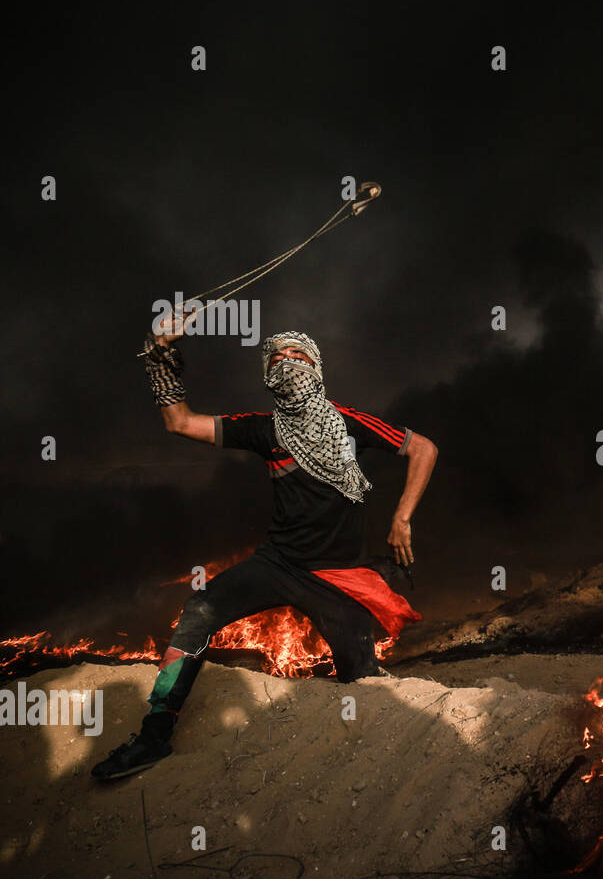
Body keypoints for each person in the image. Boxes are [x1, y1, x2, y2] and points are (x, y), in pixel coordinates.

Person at [92, 314, 438, 780]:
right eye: (276, 356)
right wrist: (160, 355)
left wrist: (401, 519)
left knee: (363, 683)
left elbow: (424, 449)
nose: (287, 362)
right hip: (278, 563)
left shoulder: (349, 421)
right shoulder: (264, 428)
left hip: (336, 576)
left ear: (316, 367)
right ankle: (153, 737)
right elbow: (180, 423)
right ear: (266, 374)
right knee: (198, 612)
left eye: (298, 355)